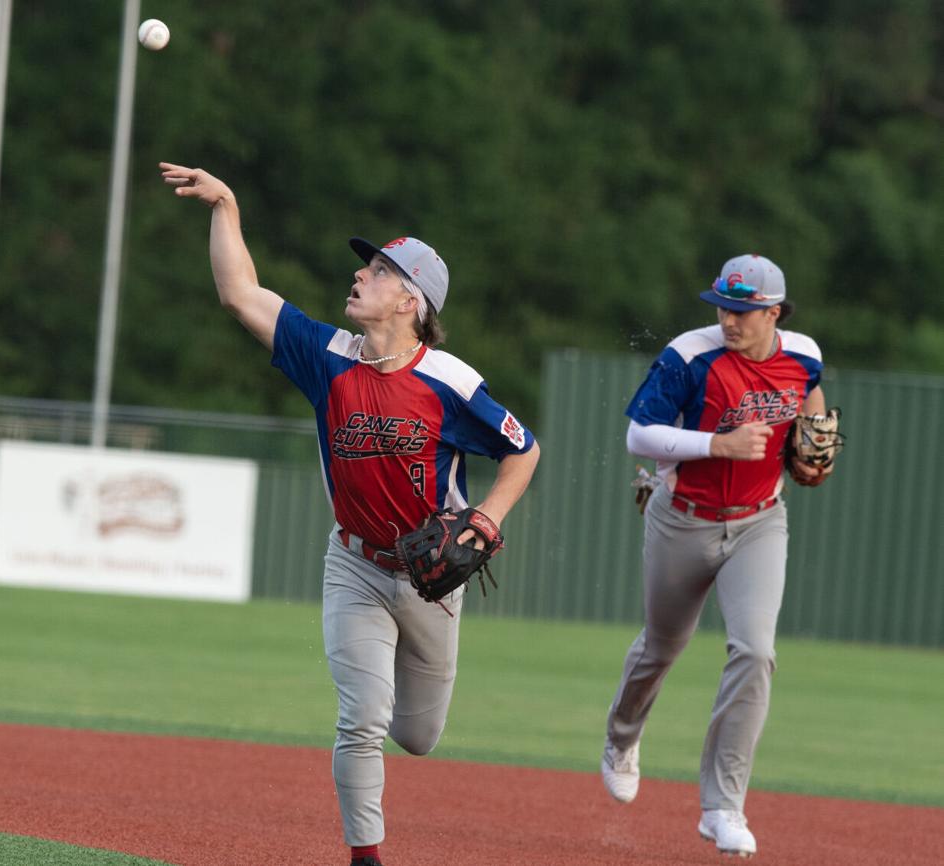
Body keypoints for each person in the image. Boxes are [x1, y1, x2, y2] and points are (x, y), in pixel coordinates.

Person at [162, 162, 540, 866]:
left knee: (419, 735)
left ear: (411, 301)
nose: (362, 274)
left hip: (434, 577)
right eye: (366, 266)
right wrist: (226, 206)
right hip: (355, 567)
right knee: (361, 720)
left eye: (379, 270)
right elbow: (239, 293)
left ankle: (391, 694)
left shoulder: (449, 381)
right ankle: (365, 856)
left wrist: (486, 519)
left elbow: (524, 450)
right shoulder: (326, 357)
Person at [601, 254, 834, 857]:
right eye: (724, 308)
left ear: (773, 313)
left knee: (755, 651)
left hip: (760, 522)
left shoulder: (803, 354)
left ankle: (723, 805)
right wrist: (718, 444)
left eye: (744, 310)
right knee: (662, 647)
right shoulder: (690, 356)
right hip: (682, 517)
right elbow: (639, 434)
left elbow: (810, 392)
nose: (730, 320)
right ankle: (622, 738)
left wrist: (810, 448)